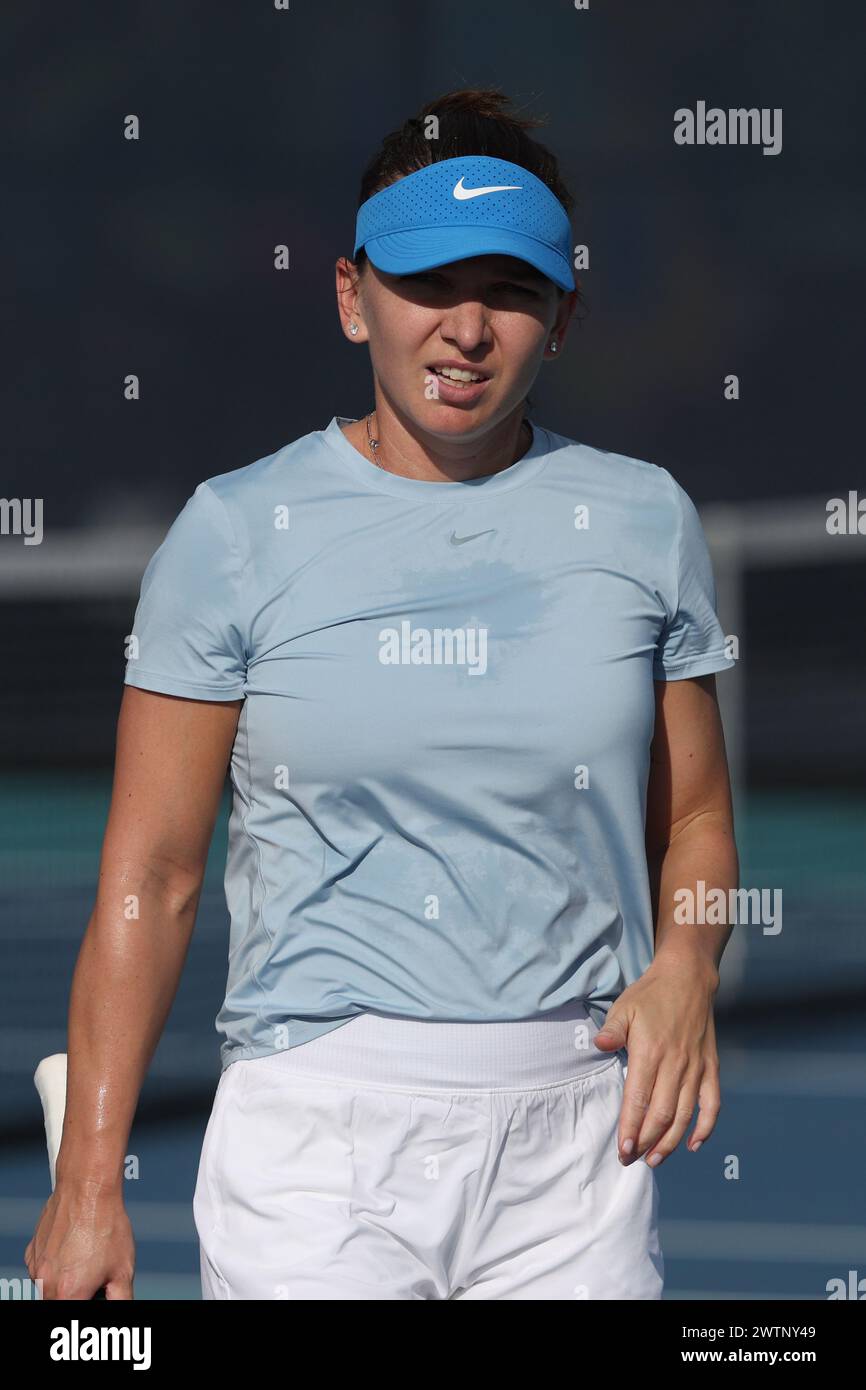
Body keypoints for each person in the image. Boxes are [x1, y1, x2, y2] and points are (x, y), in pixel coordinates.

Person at [25, 88, 737, 1301]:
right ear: (352, 296)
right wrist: (88, 1185)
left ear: (559, 318)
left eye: (508, 290)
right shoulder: (234, 531)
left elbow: (696, 824)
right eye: (426, 281)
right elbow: (153, 875)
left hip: (579, 1151)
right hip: (314, 1146)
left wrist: (684, 964)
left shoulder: (641, 518)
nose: (465, 328)